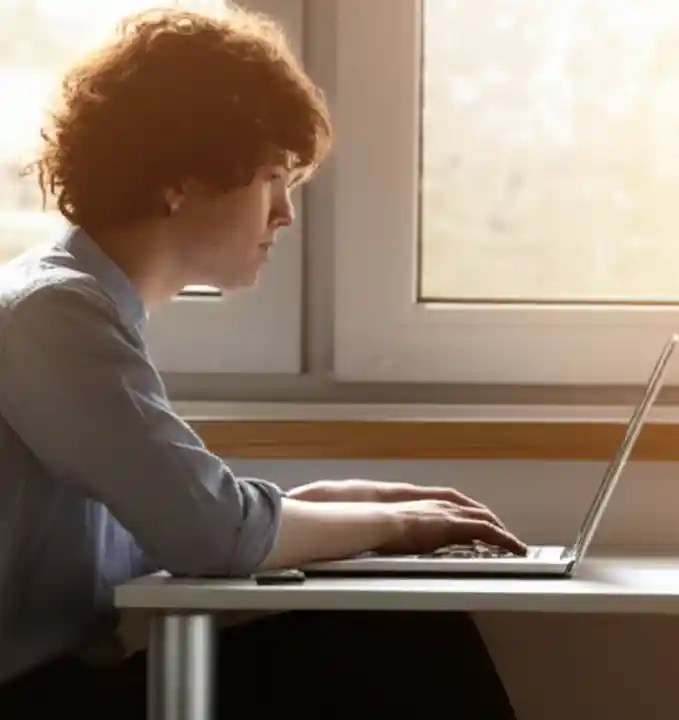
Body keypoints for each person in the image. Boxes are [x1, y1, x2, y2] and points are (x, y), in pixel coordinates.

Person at [0, 6, 527, 717]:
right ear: (178, 180)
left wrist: (350, 501)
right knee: (407, 646)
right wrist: (397, 527)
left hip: (57, 685)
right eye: (273, 177)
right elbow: (211, 534)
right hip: (34, 697)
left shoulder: (77, 305)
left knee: (401, 640)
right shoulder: (56, 315)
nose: (285, 214)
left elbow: (173, 520)